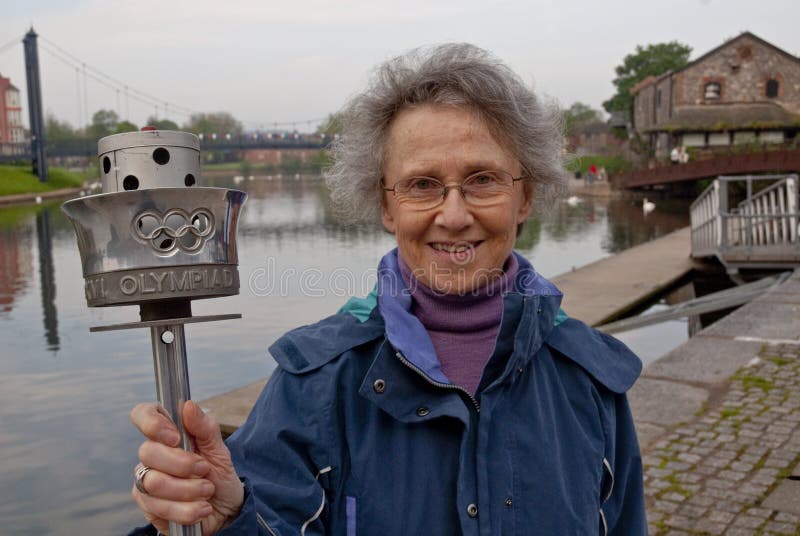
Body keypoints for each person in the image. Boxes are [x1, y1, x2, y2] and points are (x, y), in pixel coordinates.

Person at [128, 43, 647, 535]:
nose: (454, 214)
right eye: (422, 185)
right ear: (385, 205)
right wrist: (229, 519)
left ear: (526, 196)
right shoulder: (315, 383)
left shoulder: (590, 382)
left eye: (483, 179)